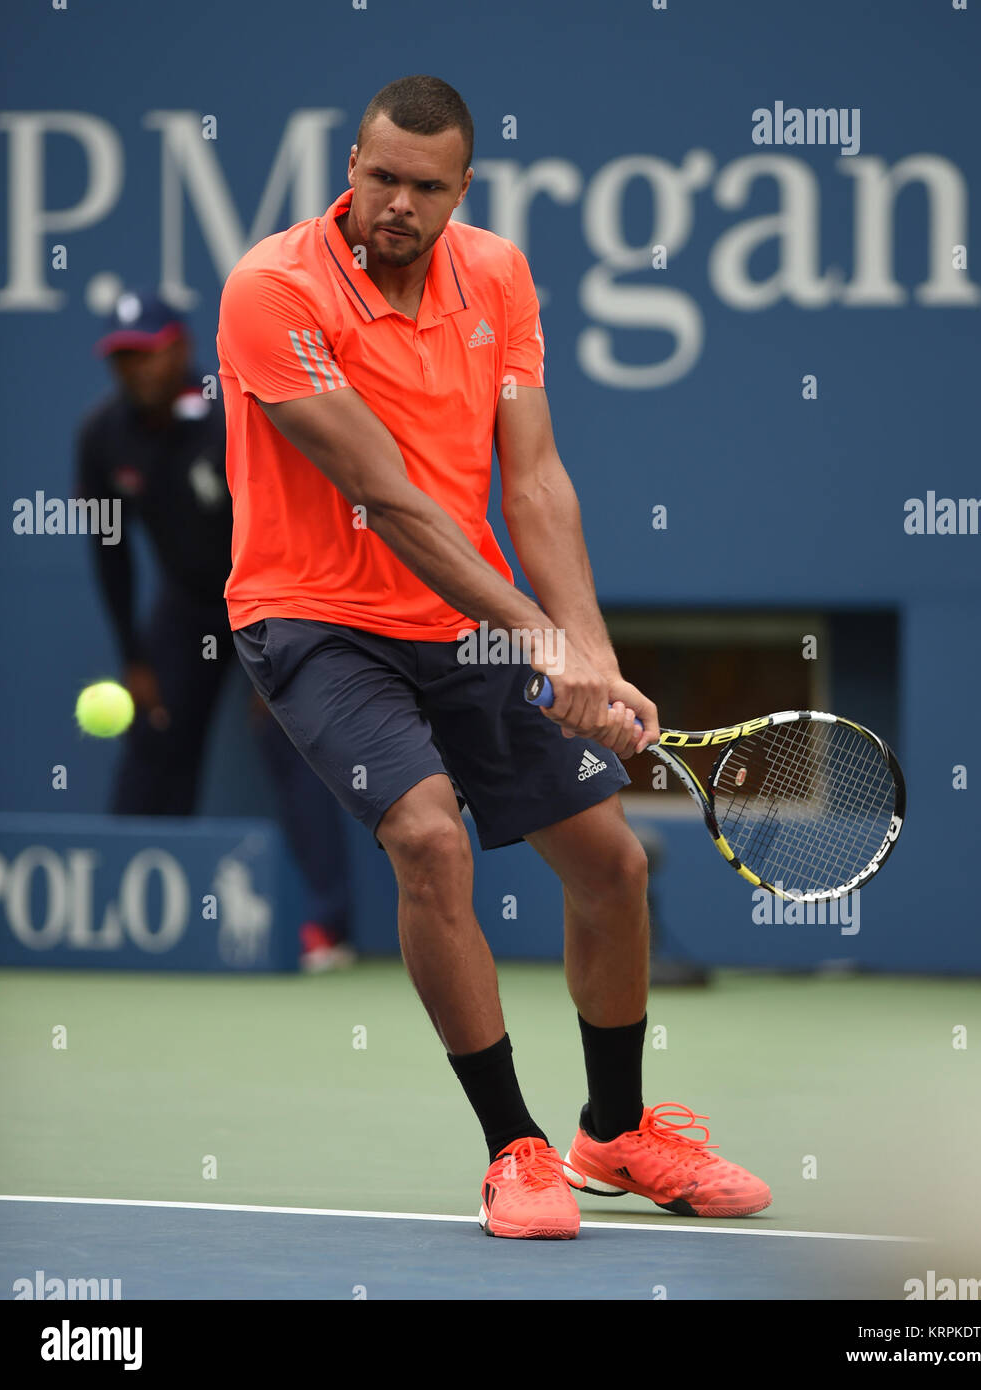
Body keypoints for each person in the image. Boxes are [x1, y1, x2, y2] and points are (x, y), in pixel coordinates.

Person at [217, 75, 771, 1238]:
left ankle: (613, 1134)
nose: (398, 205)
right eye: (380, 178)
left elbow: (531, 479)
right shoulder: (272, 291)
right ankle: (512, 1147)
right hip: (314, 613)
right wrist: (537, 635)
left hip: (462, 622)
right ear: (348, 165)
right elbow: (389, 496)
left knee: (613, 869)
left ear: (462, 188)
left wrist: (592, 655)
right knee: (427, 836)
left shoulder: (500, 276)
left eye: (426, 186)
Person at [74, 291, 354, 969]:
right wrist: (134, 660)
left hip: (270, 596)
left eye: (147, 352)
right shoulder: (102, 436)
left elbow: (296, 519)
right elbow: (110, 555)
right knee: (156, 733)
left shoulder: (232, 419)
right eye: (123, 358)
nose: (135, 369)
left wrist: (283, 639)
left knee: (296, 746)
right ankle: (127, 909)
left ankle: (327, 928)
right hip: (187, 607)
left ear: (180, 347)